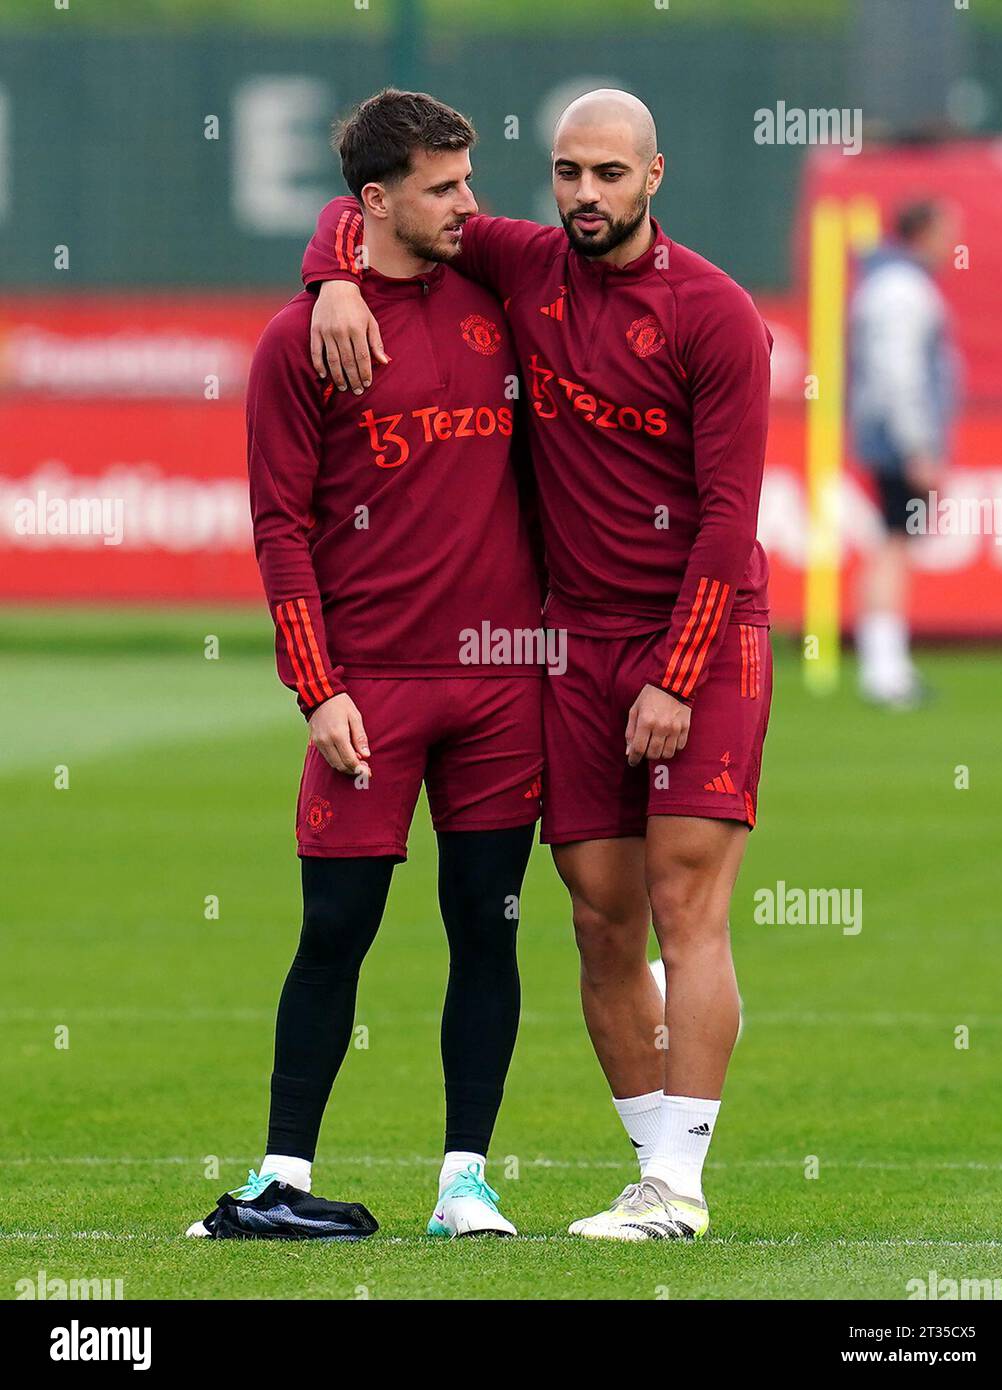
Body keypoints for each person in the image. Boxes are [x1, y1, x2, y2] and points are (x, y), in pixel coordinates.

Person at [303, 88, 773, 1241]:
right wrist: (328, 278)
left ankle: (681, 1184)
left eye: (609, 174)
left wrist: (677, 671)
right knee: (599, 916)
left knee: (682, 904)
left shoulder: (716, 315)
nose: (585, 196)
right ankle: (652, 1171)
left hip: (701, 643)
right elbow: (379, 207)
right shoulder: (524, 265)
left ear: (655, 175)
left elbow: (729, 516)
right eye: (567, 173)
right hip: (572, 646)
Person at [187, 89, 544, 1241]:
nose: (468, 207)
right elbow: (280, 526)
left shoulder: (501, 294)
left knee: (485, 929)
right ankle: (280, 1179)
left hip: (501, 681)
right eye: (443, 189)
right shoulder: (304, 340)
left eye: (469, 181)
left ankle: (465, 1182)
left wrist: (332, 261)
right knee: (334, 931)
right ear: (374, 203)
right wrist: (317, 686)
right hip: (369, 690)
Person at [849, 198, 959, 707]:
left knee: (893, 545)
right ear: (923, 233)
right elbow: (900, 373)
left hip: (887, 433)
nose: (952, 244)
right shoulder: (903, 289)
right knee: (894, 546)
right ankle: (885, 668)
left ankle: (887, 662)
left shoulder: (886, 283)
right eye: (946, 231)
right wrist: (918, 446)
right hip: (897, 438)